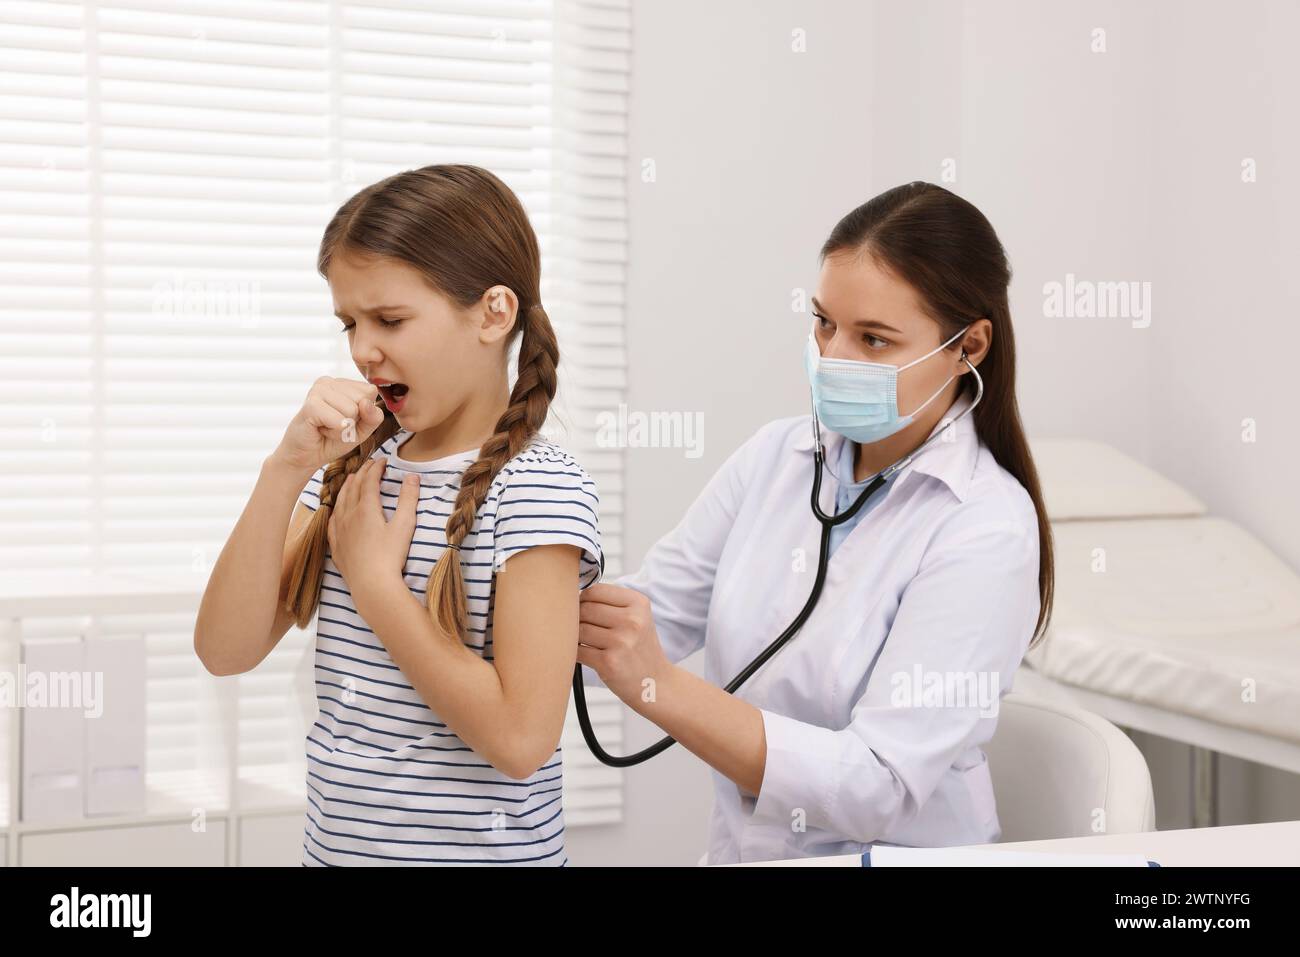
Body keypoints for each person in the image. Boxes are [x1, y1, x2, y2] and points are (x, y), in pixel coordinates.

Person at [576, 182, 1055, 864]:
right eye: (824, 322)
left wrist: (662, 685)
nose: (833, 357)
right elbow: (654, 611)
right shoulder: (778, 456)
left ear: (969, 345)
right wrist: (493, 590)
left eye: (874, 338)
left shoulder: (984, 527)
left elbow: (877, 785)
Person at [195, 164, 602, 866]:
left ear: (493, 313)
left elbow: (518, 739)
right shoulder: (355, 470)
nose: (361, 349)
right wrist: (285, 468)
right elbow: (224, 650)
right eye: (350, 322)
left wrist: (378, 587)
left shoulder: (537, 488)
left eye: (390, 319)